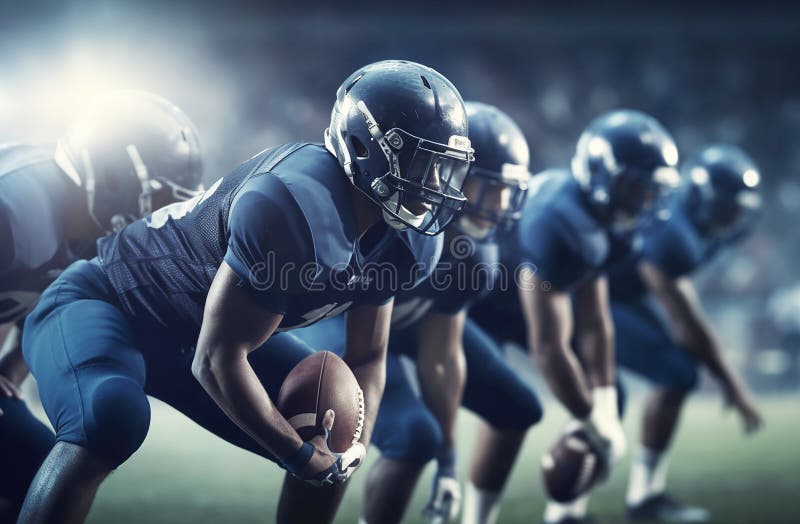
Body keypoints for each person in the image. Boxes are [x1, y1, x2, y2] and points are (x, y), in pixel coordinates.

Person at [17, 60, 474, 524]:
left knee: (330, 418)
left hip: (201, 330)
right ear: (363, 147)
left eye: (443, 168)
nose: (433, 185)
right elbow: (217, 358)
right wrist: (296, 456)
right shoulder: (292, 205)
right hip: (108, 300)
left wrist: (350, 448)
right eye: (422, 163)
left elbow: (369, 356)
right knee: (109, 418)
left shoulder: (410, 239)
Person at [296, 101, 539, 524]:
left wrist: (449, 462)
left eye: (507, 190)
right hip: (339, 322)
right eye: (489, 187)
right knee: (412, 436)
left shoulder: (475, 257)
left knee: (518, 406)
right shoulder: (387, 219)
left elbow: (442, 357)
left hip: (407, 326)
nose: (500, 205)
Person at [468, 109, 681, 524]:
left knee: (612, 390)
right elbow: (550, 348)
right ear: (602, 175)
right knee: (506, 405)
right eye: (635, 187)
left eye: (651, 191)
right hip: (487, 304)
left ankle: (566, 514)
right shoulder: (558, 220)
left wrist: (601, 402)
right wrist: (593, 424)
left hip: (533, 296)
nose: (644, 201)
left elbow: (595, 323)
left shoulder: (608, 225)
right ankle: (476, 519)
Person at [0, 90, 204, 521]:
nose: (163, 217)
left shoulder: (83, 226)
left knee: (39, 471)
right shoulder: (17, 212)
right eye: (160, 199)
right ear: (114, 179)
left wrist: (9, 369)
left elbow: (44, 302)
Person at [608, 144, 764, 522]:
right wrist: (734, 386)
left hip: (621, 293)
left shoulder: (691, 226)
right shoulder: (672, 231)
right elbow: (687, 324)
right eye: (728, 207)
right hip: (590, 293)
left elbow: (679, 298)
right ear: (705, 198)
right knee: (672, 373)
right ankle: (638, 500)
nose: (733, 217)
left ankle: (646, 496)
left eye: (738, 209)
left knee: (679, 372)